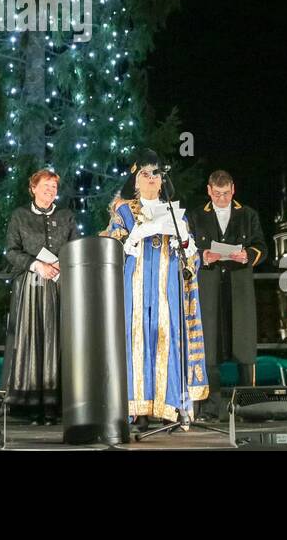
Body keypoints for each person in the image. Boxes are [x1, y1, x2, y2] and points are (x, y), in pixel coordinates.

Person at [101, 149, 208, 426]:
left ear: (162, 180)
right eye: (144, 174)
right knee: (134, 340)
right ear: (135, 181)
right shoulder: (123, 211)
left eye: (155, 174)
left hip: (166, 290)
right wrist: (133, 238)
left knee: (167, 339)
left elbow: (192, 261)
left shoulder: (175, 213)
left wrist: (184, 243)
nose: (150, 179)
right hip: (133, 289)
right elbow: (109, 251)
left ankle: (169, 406)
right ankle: (133, 409)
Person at [1, 168, 77, 423]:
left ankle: (56, 406)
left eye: (54, 187)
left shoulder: (66, 216)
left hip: (59, 287)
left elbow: (75, 248)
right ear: (33, 188)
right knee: (31, 341)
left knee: (58, 341)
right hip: (30, 288)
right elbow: (11, 251)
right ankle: (30, 407)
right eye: (45, 186)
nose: (50, 191)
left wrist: (63, 267)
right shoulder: (20, 216)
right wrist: (36, 265)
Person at [192, 170, 267, 417]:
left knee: (244, 347)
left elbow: (262, 247)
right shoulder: (196, 216)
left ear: (233, 189)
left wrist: (248, 255)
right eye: (217, 194)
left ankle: (250, 407)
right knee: (210, 348)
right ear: (209, 191)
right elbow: (186, 247)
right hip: (209, 288)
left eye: (226, 193)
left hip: (239, 288)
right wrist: (202, 255)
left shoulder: (248, 215)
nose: (222, 198)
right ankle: (211, 408)